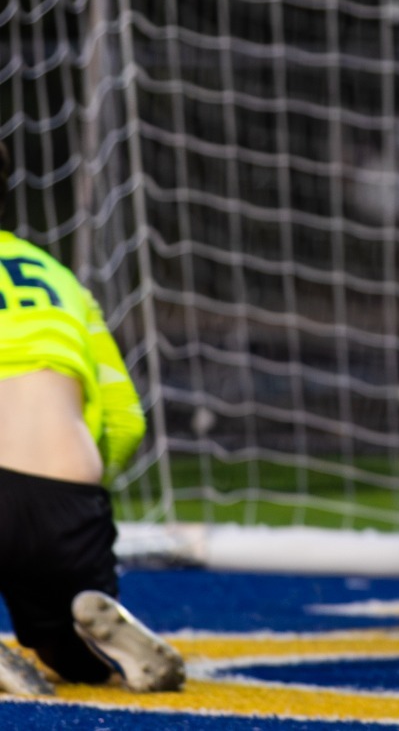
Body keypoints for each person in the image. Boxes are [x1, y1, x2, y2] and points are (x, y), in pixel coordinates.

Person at [0, 143, 185, 697]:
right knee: (65, 654)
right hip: (69, 497)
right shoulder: (57, 278)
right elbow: (127, 419)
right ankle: (95, 633)